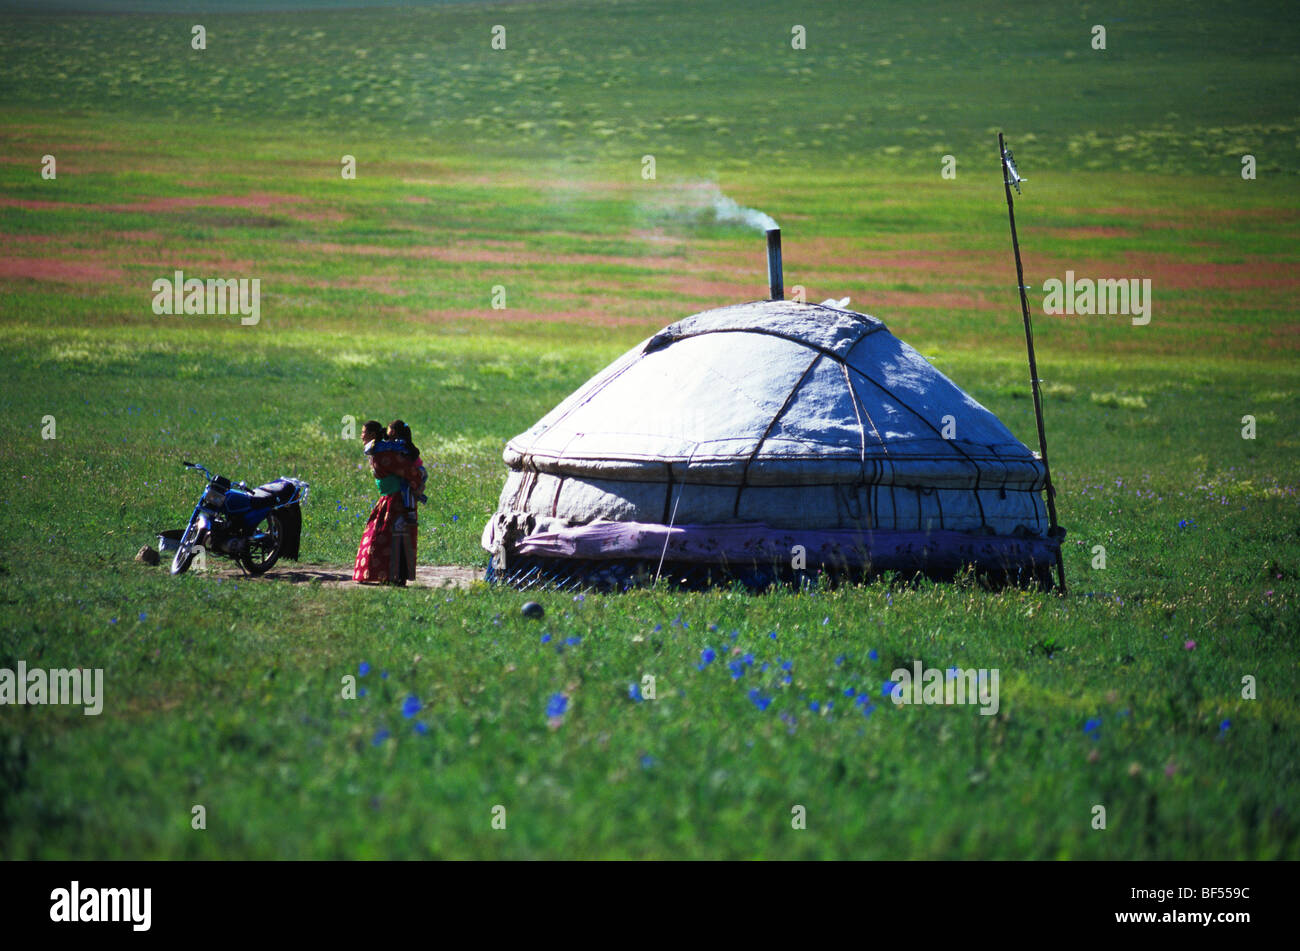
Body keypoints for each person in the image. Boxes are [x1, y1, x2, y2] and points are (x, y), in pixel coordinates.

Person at [353, 419, 423, 586]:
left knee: (390, 536)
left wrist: (415, 486)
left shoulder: (386, 454)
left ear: (371, 435)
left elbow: (411, 473)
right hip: (387, 499)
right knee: (382, 535)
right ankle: (387, 575)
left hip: (397, 501)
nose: (361, 436)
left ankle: (393, 576)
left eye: (363, 433)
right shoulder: (380, 451)